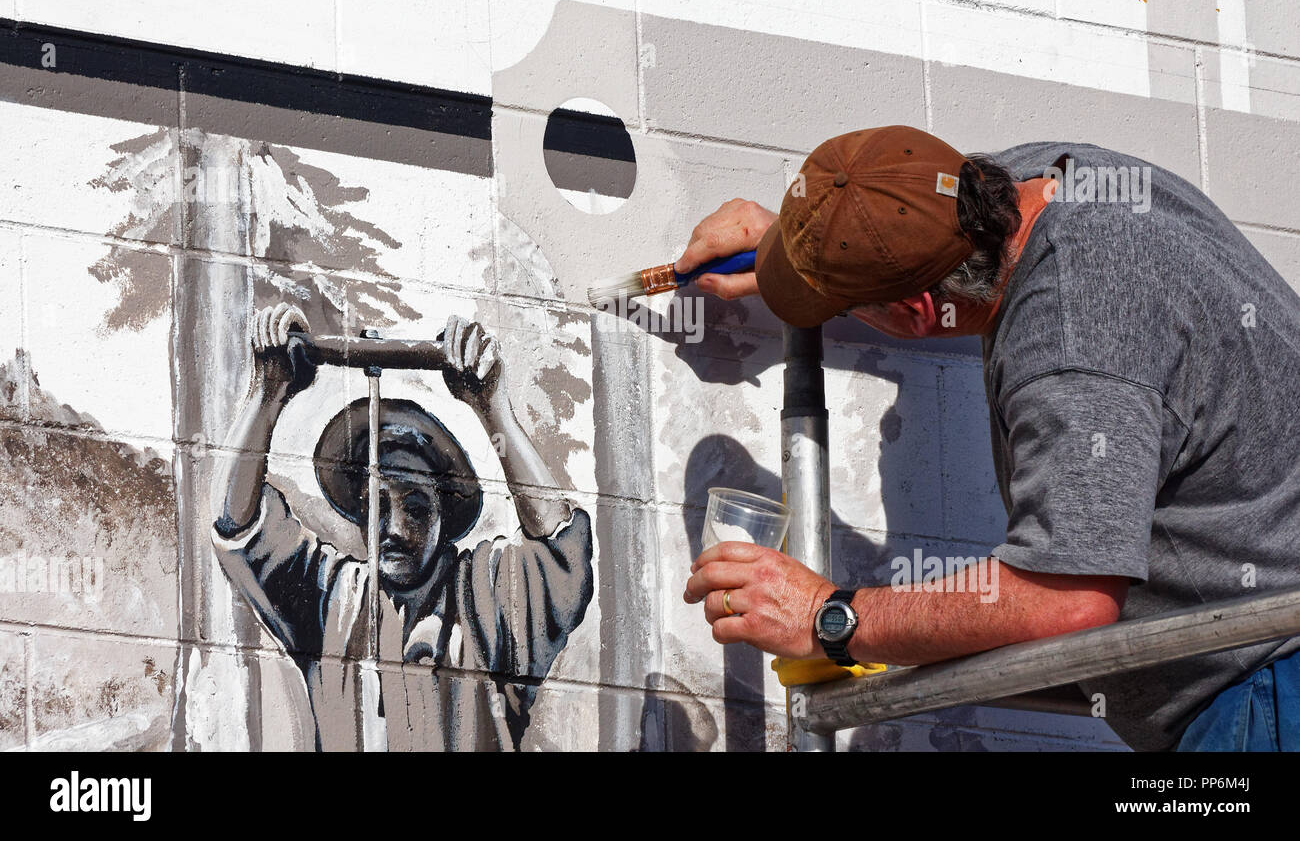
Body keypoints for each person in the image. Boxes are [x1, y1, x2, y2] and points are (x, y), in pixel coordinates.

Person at [680, 125, 1300, 751]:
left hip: (1266, 686)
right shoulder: (1039, 180)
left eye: (844, 307)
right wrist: (806, 247)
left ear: (919, 311)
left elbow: (1069, 597)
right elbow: (899, 217)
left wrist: (826, 617)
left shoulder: (1072, 346)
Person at [212, 304, 593, 751]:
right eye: (376, 505)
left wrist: (492, 407)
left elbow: (558, 549)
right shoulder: (333, 599)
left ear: (443, 518)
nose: (392, 527)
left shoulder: (488, 597)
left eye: (414, 508)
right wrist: (267, 394)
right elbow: (235, 525)